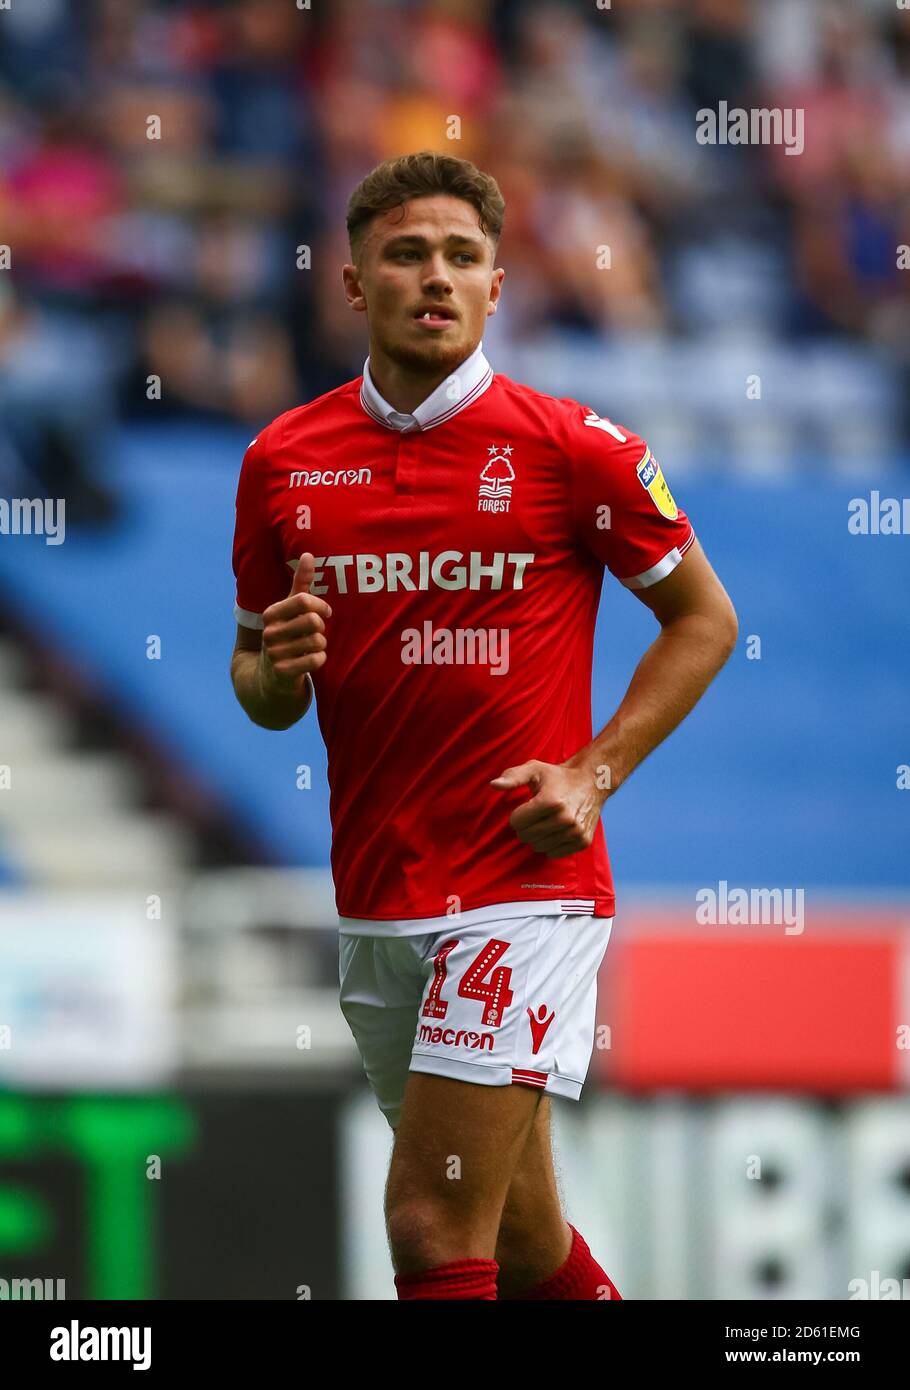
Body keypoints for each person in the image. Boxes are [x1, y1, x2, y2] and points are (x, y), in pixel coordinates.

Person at [230, 150, 738, 1301]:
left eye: (463, 256)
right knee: (521, 1241)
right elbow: (260, 682)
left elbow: (704, 620)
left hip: (522, 887)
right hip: (377, 889)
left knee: (426, 1221)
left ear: (498, 287)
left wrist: (593, 772)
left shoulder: (574, 448)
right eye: (406, 253)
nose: (436, 277)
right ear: (353, 283)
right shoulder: (282, 463)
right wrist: (277, 663)